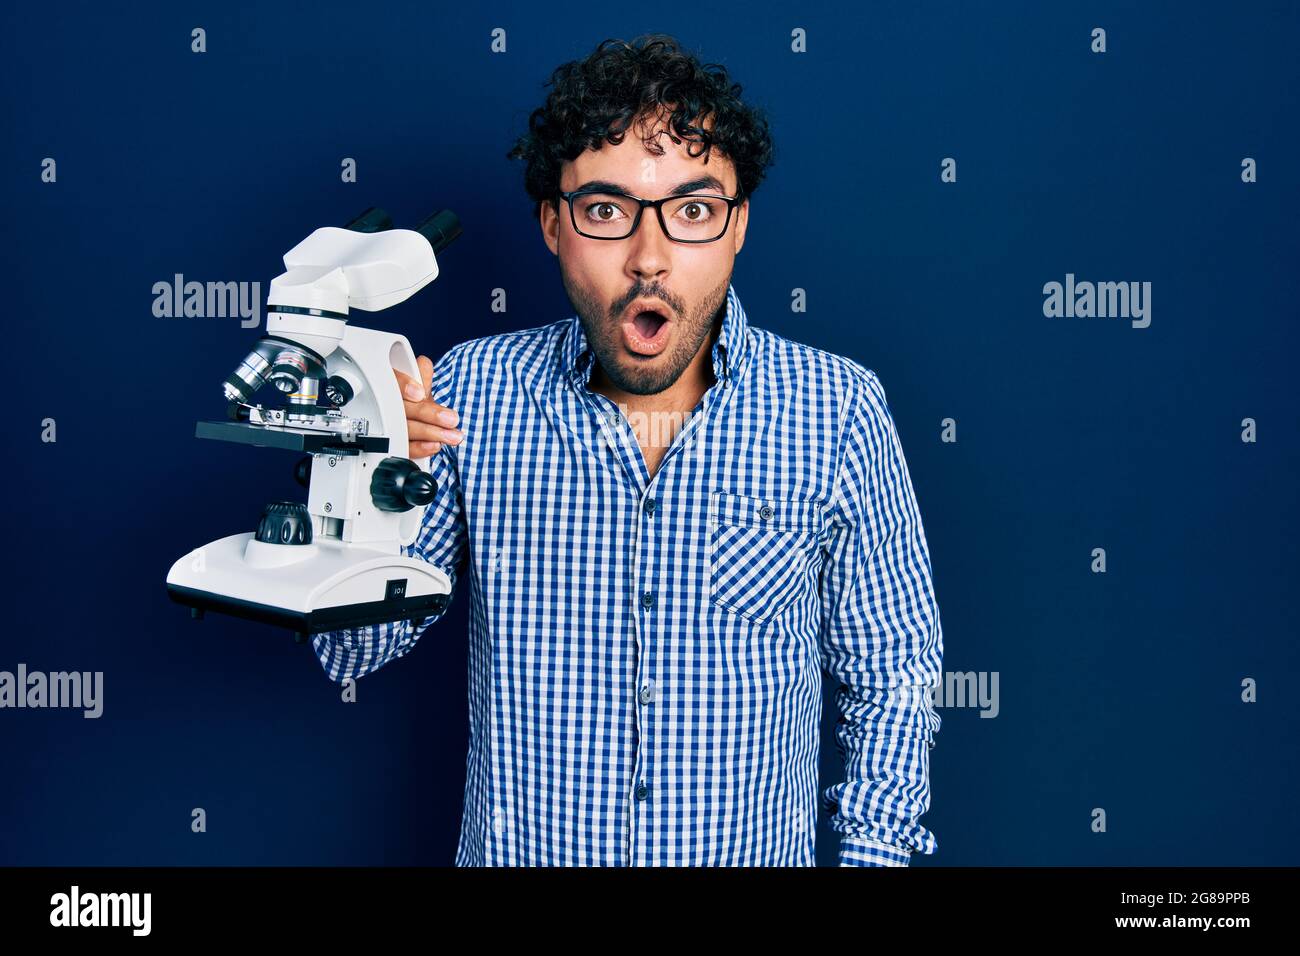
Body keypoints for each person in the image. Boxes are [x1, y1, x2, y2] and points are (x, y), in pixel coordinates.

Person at [313, 33, 944, 867]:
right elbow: (349, 649)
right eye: (606, 211)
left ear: (738, 225)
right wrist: (370, 476)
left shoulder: (838, 411)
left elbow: (895, 675)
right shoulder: (471, 395)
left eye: (692, 210)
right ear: (552, 224)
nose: (649, 259)